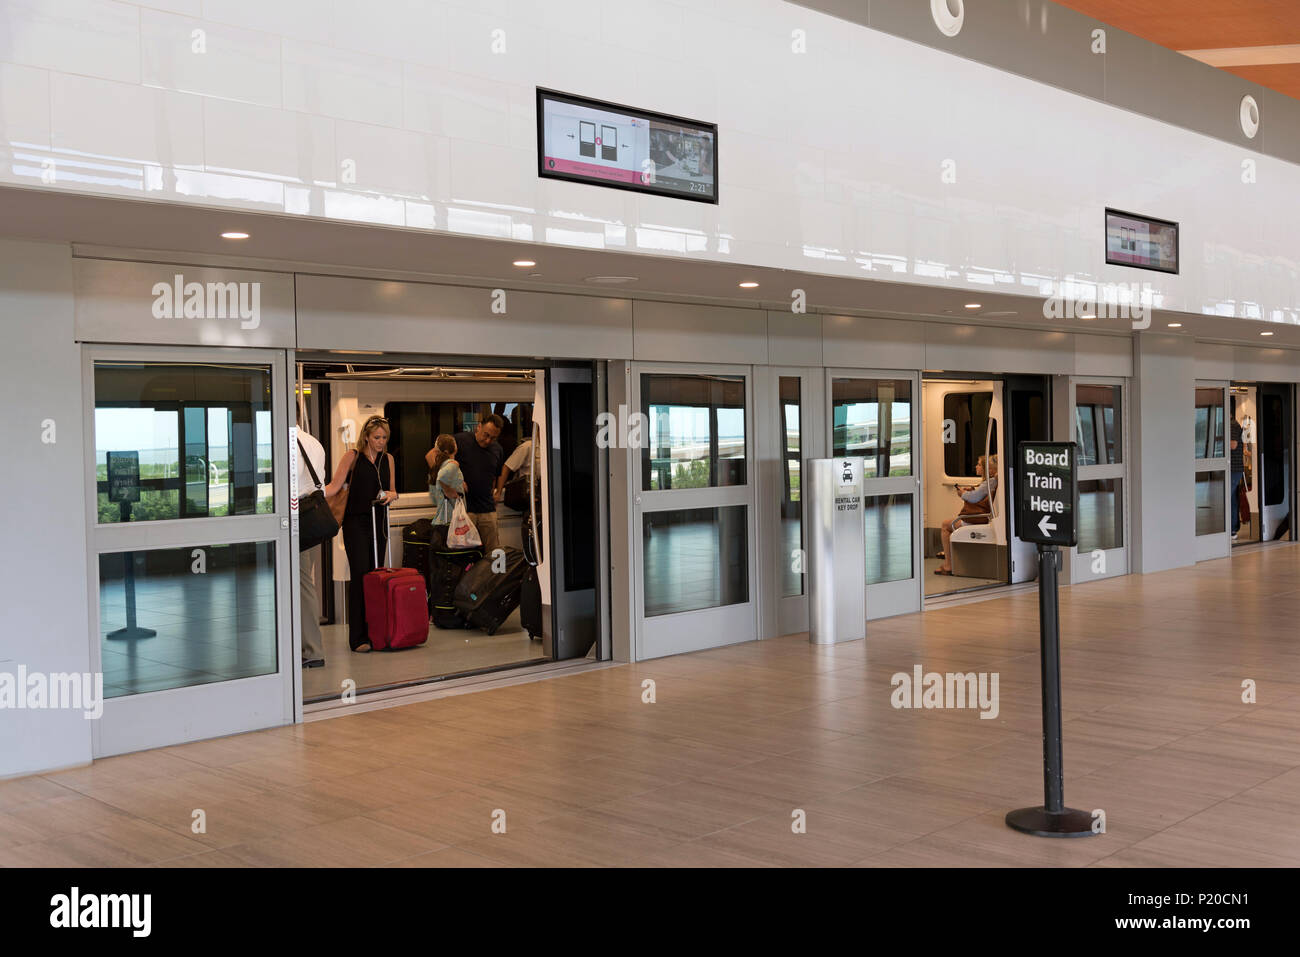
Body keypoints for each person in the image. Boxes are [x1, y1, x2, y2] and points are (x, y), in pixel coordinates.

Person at [328, 415, 397, 652]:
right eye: (376, 437)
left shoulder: (388, 460)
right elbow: (335, 486)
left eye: (384, 438)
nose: (380, 442)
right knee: (360, 574)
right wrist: (309, 494)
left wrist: (391, 495)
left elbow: (393, 490)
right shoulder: (352, 457)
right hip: (356, 522)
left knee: (377, 575)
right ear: (366, 436)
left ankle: (377, 631)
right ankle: (358, 637)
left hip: (380, 521)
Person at [296, 421, 343, 669]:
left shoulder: (286, 444)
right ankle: (306, 646)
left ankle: (312, 650)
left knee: (302, 586)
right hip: (312, 517)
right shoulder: (314, 443)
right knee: (305, 584)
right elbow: (320, 484)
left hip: (295, 520)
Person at [935, 454, 998, 576]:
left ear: (988, 469)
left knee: (945, 525)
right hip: (980, 517)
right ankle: (950, 559)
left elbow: (974, 498)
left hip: (977, 519)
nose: (976, 466)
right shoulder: (990, 482)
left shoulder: (989, 482)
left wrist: (962, 494)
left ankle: (948, 564)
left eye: (979, 464)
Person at [452, 414, 505, 552]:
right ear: (479, 427)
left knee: (494, 552)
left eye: (493, 438)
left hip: (487, 508)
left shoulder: (497, 449)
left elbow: (496, 475)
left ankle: (493, 574)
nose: (488, 440)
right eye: (486, 435)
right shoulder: (460, 440)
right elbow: (432, 456)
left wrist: (497, 492)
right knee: (465, 553)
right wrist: (453, 480)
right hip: (465, 509)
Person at [425, 433, 465, 548]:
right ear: (453, 449)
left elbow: (434, 497)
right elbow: (442, 477)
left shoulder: (437, 468)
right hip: (451, 522)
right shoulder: (452, 464)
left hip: (440, 522)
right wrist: (448, 490)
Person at [1230, 398, 1244, 541]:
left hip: (1234, 468)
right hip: (1233, 468)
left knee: (1229, 498)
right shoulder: (1230, 424)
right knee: (1231, 498)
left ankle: (1232, 529)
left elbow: (1233, 445)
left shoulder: (1233, 425)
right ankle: (1232, 528)